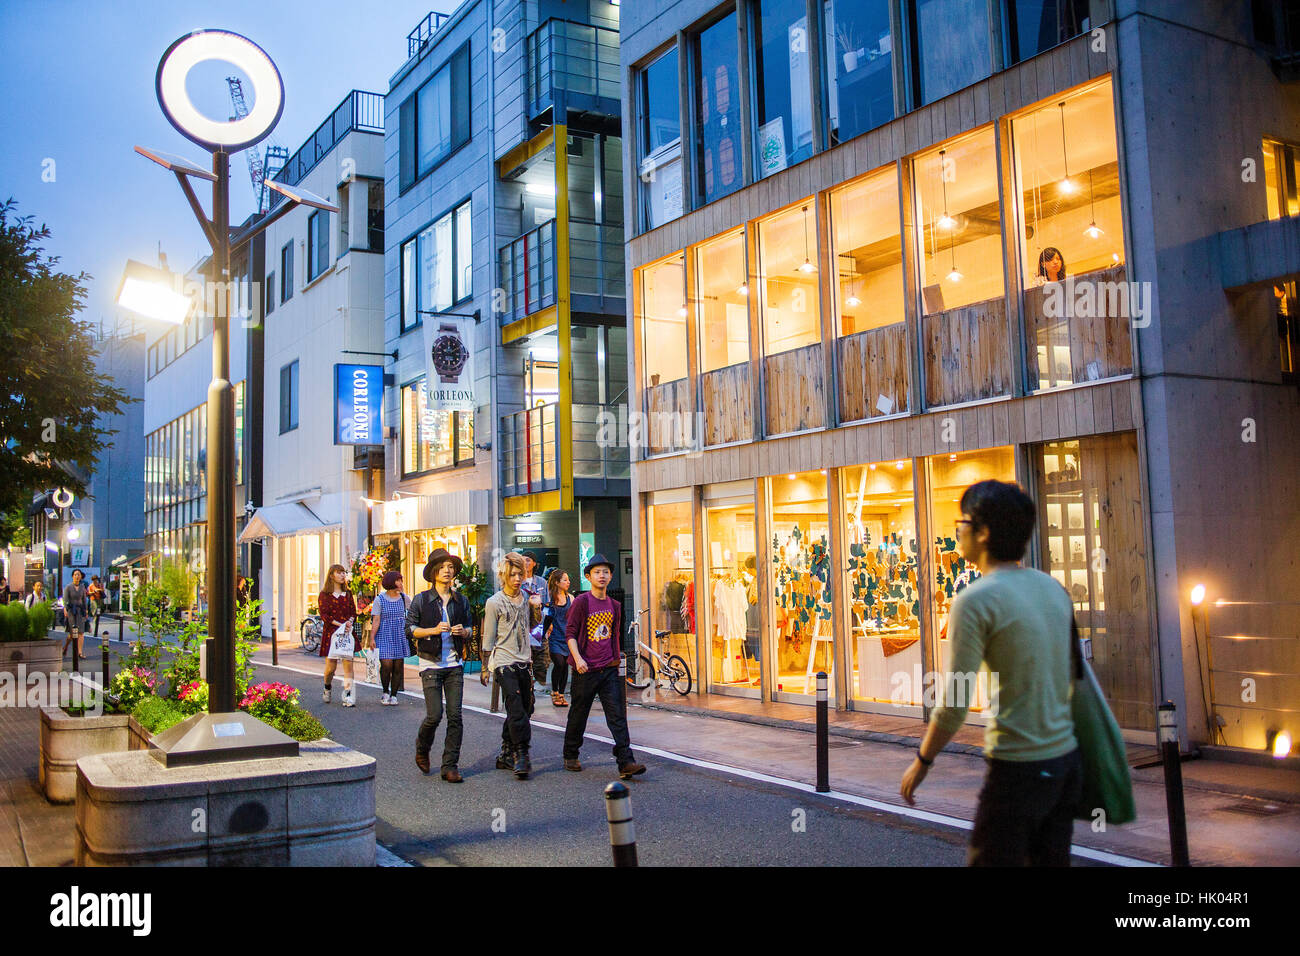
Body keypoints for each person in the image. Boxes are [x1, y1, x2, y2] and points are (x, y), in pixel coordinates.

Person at [900, 480, 1080, 866]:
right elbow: (1072, 678)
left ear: (983, 533)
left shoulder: (974, 600)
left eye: (961, 522)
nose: (956, 531)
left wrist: (923, 761)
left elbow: (954, 703)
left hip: (1017, 769)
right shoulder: (1052, 589)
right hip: (1064, 764)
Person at [561, 554, 646, 779]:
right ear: (588, 576)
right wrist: (578, 659)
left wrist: (618, 663)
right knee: (579, 713)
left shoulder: (615, 605)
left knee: (617, 715)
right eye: (597, 572)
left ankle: (626, 761)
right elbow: (570, 633)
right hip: (585, 669)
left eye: (606, 572)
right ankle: (570, 753)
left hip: (609, 668)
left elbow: (615, 636)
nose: (602, 576)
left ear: (610, 576)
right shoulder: (581, 602)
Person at [406, 550, 471, 782]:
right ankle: (422, 748)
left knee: (456, 717)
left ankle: (450, 765)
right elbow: (410, 629)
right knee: (435, 715)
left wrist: (464, 631)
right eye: (442, 566)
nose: (447, 570)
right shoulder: (421, 599)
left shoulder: (460, 600)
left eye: (450, 566)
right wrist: (433, 630)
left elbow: (471, 629)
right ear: (434, 572)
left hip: (454, 664)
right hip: (430, 663)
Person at [480, 551, 537, 780]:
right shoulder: (493, 602)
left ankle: (505, 751)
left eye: (520, 574)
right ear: (504, 576)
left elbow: (535, 627)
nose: (517, 579)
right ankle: (521, 754)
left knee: (526, 708)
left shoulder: (526, 597)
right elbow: (488, 636)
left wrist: (536, 608)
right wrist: (485, 666)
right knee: (515, 707)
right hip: (504, 661)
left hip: (525, 660)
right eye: (512, 575)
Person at [368, 570, 410, 706]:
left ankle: (394, 695)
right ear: (391, 582)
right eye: (397, 580)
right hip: (384, 634)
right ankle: (385, 691)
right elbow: (376, 619)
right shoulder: (380, 599)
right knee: (386, 665)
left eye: (401, 580)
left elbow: (413, 613)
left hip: (399, 634)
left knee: (398, 666)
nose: (400, 583)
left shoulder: (404, 598)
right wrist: (372, 638)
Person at [319, 564, 358, 707]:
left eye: (344, 572)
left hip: (347, 633)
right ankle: (327, 687)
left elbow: (353, 611)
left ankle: (348, 695)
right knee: (331, 668)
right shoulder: (324, 595)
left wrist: (350, 621)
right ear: (331, 575)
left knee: (348, 665)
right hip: (332, 633)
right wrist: (340, 624)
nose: (342, 575)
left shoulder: (348, 593)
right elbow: (324, 615)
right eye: (339, 572)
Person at [520, 550, 550, 693]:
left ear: (534, 563)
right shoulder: (518, 582)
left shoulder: (542, 582)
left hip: (539, 628)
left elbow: (548, 605)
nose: (526, 563)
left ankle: (538, 685)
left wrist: (547, 625)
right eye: (523, 560)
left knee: (541, 661)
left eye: (528, 560)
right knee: (525, 660)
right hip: (523, 627)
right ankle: (527, 688)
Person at [543, 568, 573, 707]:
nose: (568, 582)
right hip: (554, 638)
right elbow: (544, 617)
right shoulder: (549, 598)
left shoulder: (570, 598)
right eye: (565, 580)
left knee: (565, 666)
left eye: (568, 579)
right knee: (559, 663)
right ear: (556, 582)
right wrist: (542, 634)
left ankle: (561, 694)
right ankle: (554, 691)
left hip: (567, 638)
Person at [61, 569, 89, 665]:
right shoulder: (68, 587)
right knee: (73, 633)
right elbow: (65, 600)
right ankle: (65, 647)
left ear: (81, 576)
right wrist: (65, 609)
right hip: (71, 612)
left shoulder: (82, 587)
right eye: (75, 574)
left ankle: (79, 652)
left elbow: (84, 600)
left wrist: (86, 611)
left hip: (80, 611)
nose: (77, 576)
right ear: (72, 576)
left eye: (79, 574)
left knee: (81, 632)